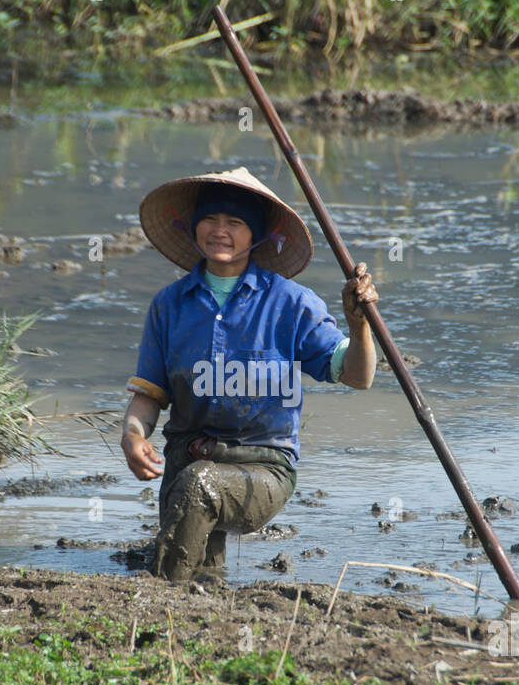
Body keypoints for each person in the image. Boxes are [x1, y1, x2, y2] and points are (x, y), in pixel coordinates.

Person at [121, 167, 379, 582]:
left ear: (256, 235)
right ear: (194, 228)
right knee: (203, 576)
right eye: (210, 219)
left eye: (235, 223)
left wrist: (359, 325)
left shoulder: (292, 304)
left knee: (194, 502)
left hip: (261, 466)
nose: (219, 231)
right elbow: (149, 397)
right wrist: (133, 436)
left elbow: (358, 376)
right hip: (187, 458)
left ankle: (157, 600)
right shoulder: (169, 306)